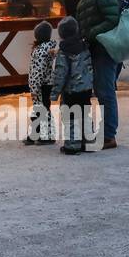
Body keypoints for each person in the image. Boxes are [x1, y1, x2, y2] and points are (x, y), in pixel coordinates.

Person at [73, 0, 121, 150]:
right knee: (97, 91)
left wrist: (92, 33)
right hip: (92, 50)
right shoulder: (84, 0)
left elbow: (112, 19)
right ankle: (100, 133)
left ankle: (109, 135)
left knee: (105, 92)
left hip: (104, 49)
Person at [52, 16, 94, 154]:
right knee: (84, 115)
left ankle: (72, 145)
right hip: (85, 88)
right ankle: (89, 142)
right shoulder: (84, 47)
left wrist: (55, 92)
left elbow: (60, 74)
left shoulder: (63, 52)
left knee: (70, 117)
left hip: (71, 90)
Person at [24, 20, 55, 145]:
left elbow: (38, 72)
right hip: (44, 84)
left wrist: (35, 89)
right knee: (39, 109)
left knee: (43, 110)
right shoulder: (45, 49)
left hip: (42, 85)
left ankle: (47, 135)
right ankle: (36, 133)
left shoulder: (41, 52)